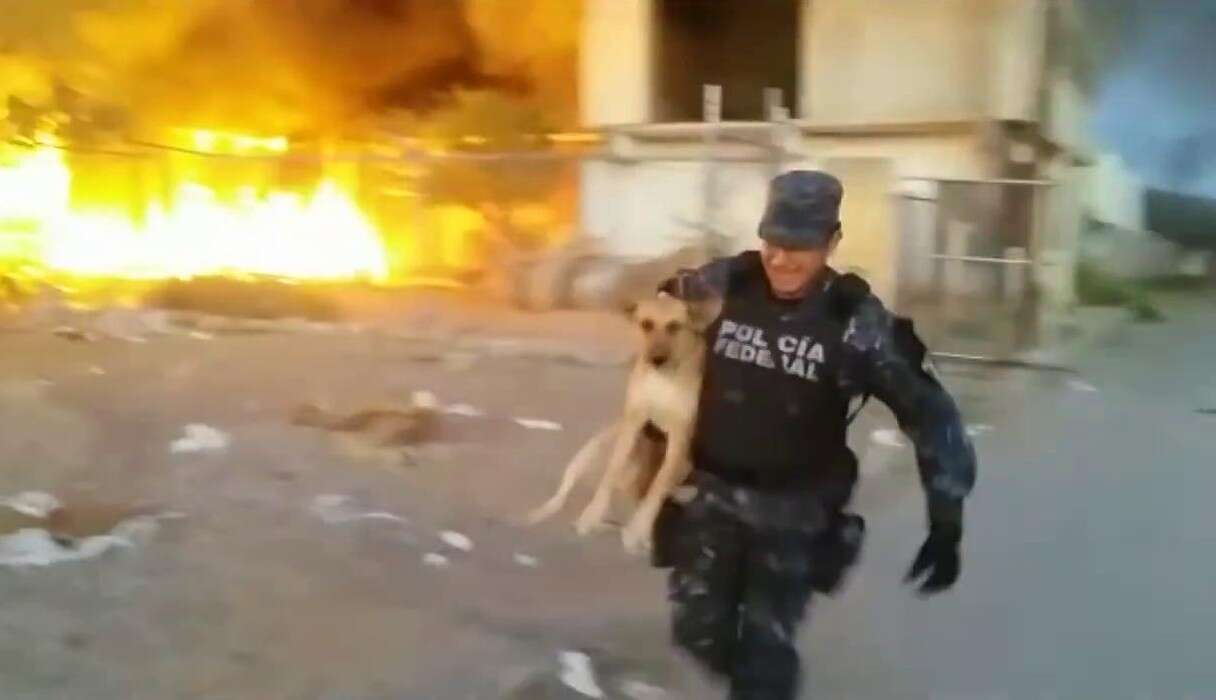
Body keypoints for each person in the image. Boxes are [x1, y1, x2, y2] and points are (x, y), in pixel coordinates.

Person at [652, 170, 977, 699]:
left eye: (799, 247)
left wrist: (947, 517)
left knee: (764, 658)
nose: (780, 260)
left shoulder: (856, 321)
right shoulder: (731, 281)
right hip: (714, 501)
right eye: (772, 242)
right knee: (696, 633)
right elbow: (669, 296)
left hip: (794, 515)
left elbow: (930, 412)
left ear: (831, 242)